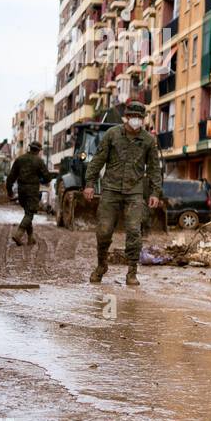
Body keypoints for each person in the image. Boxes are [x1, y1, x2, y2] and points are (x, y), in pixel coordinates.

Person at [83, 100, 162, 286]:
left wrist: (155, 193)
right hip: (110, 189)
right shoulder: (112, 135)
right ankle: (101, 265)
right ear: (126, 117)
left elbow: (153, 169)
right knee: (103, 231)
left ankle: (132, 271)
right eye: (133, 116)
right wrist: (89, 183)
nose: (136, 120)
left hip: (134, 192)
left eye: (139, 117)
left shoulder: (149, 141)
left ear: (143, 120)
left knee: (134, 231)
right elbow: (98, 160)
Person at [6, 141, 55, 245]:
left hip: (21, 190)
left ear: (30, 148)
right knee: (29, 214)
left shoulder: (20, 159)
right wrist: (41, 179)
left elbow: (10, 177)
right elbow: (47, 178)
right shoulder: (39, 161)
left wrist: (10, 191)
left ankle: (30, 237)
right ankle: (18, 235)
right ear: (38, 150)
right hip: (32, 191)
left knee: (27, 213)